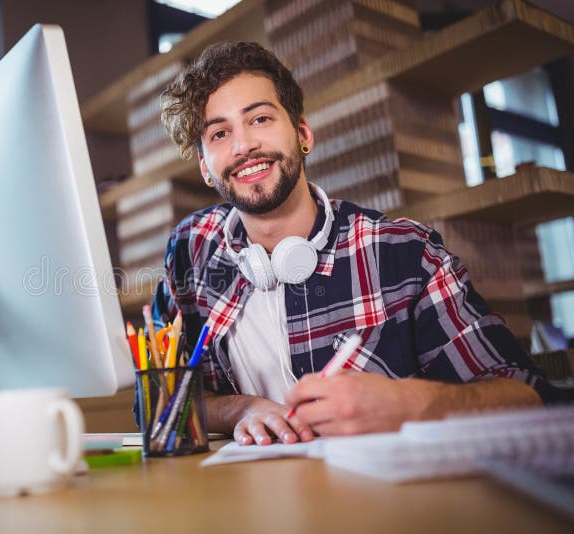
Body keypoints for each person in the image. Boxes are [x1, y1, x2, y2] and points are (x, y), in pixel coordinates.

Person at [150, 41, 556, 446]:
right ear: (206, 168)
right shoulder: (191, 250)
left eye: (259, 119)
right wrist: (240, 408)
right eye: (220, 133)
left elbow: (529, 395)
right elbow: (155, 401)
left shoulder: (406, 252)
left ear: (303, 133)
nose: (242, 146)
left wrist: (414, 405)